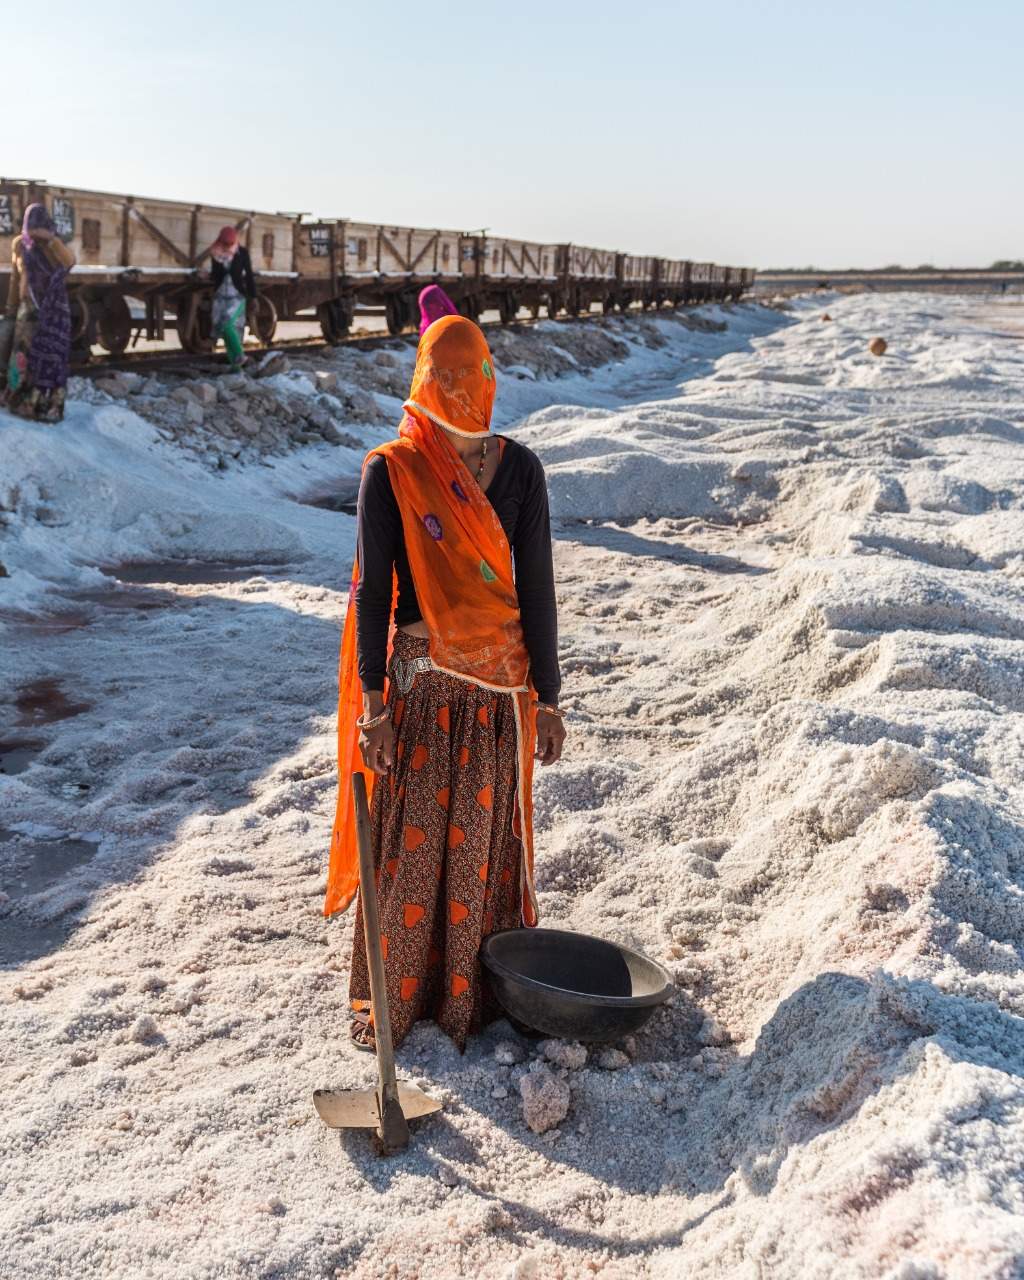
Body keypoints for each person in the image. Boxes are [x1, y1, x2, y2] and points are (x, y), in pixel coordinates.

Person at [325, 315, 565, 1052]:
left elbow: (536, 590)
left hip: (496, 697)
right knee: (421, 845)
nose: (463, 391)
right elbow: (373, 596)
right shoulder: (394, 469)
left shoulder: (520, 471)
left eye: (471, 376)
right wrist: (373, 707)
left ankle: (470, 999)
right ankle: (408, 998)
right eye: (451, 378)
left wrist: (549, 698)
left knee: (477, 849)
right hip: (426, 691)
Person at [2, 204, 75, 423]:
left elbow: (70, 262)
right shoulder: (20, 244)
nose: (34, 228)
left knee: (50, 358)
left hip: (52, 311)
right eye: (31, 224)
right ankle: (20, 402)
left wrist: (50, 239)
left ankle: (46, 407)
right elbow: (16, 279)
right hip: (27, 311)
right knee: (22, 355)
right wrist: (10, 310)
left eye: (38, 224)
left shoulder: (54, 244)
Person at [208, 226, 254, 369]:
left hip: (237, 296)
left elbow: (249, 275)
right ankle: (236, 370)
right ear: (220, 241)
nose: (228, 246)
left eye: (230, 243)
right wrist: (207, 275)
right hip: (220, 296)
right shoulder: (215, 253)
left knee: (228, 325)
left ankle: (240, 356)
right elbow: (216, 274)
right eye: (225, 244)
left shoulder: (242, 253)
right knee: (223, 330)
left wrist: (253, 296)